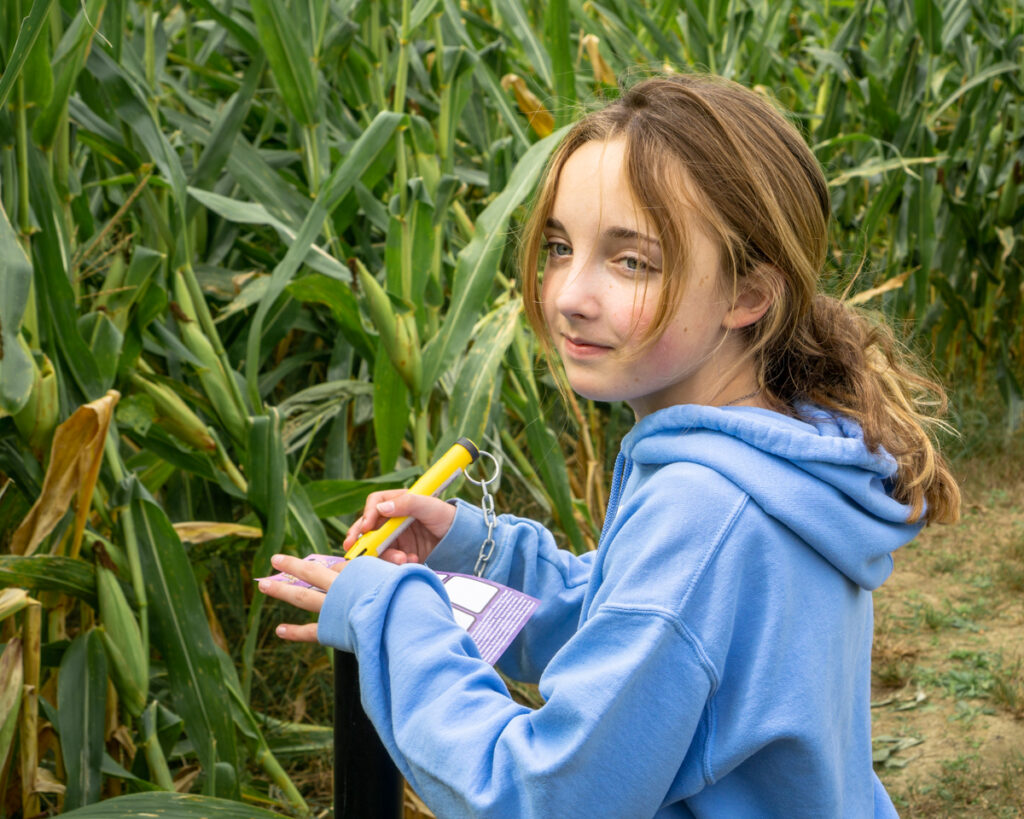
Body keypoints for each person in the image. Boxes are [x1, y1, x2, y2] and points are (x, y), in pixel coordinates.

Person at [258, 73, 961, 817]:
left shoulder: (705, 512)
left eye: (632, 261)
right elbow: (630, 640)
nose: (568, 294)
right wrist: (472, 556)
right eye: (560, 246)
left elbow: (544, 795)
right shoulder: (775, 461)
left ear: (748, 294)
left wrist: (394, 616)